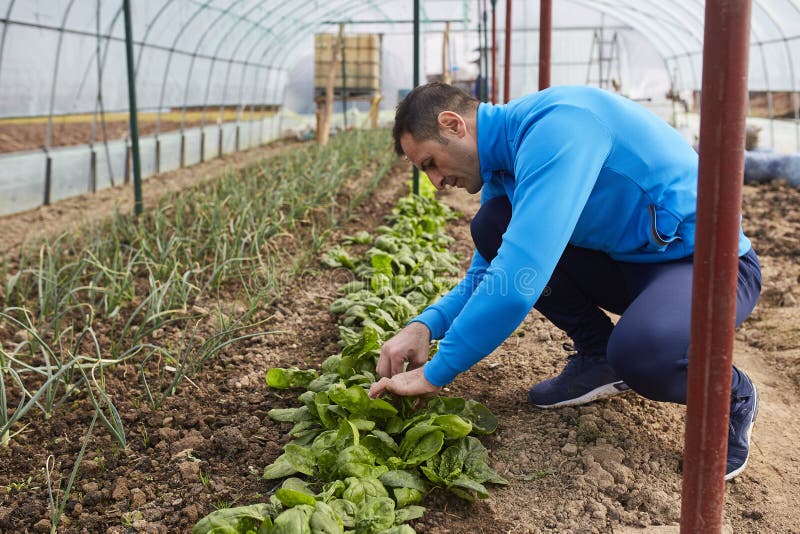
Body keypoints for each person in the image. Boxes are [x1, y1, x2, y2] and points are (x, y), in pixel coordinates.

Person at [368, 82, 762, 480]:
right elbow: (490, 274)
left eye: (430, 163)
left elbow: (515, 287)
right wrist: (425, 326)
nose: (436, 182)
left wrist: (437, 371)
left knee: (644, 355)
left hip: (711, 267)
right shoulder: (505, 167)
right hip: (632, 267)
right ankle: (599, 357)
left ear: (453, 125)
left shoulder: (559, 127)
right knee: (493, 225)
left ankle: (731, 394)